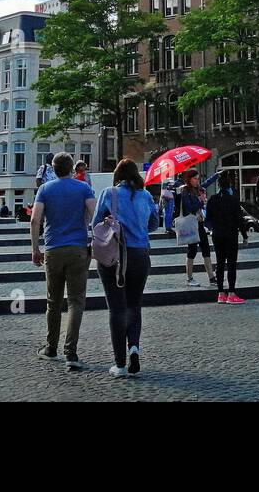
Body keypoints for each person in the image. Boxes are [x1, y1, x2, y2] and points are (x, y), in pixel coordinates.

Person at [94, 159, 161, 377]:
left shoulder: (108, 193)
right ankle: (134, 348)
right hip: (141, 255)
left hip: (115, 257)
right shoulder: (146, 195)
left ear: (118, 175)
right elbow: (153, 224)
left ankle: (120, 364)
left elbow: (94, 224)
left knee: (117, 308)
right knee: (134, 304)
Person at [31, 152, 96, 370]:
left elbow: (35, 220)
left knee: (53, 302)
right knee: (76, 301)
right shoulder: (83, 188)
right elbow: (95, 215)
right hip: (78, 248)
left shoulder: (45, 189)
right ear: (71, 169)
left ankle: (51, 347)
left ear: (53, 169)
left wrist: (35, 249)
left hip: (53, 249)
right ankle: (71, 352)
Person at [205, 175, 249, 304]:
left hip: (217, 235)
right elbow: (240, 220)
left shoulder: (212, 199)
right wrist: (245, 236)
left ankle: (220, 293)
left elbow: (208, 218)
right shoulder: (233, 200)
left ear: (218, 185)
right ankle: (231, 293)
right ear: (229, 186)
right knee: (231, 264)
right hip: (230, 235)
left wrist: (213, 228)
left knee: (219, 263)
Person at [176, 169, 214, 286]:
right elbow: (190, 208)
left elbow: (207, 183)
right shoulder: (185, 191)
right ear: (189, 179)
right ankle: (189, 278)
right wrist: (200, 201)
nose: (197, 181)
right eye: (195, 178)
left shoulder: (198, 189)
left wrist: (217, 175)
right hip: (191, 224)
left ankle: (211, 277)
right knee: (192, 251)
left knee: (206, 250)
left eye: (198, 178)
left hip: (200, 224)